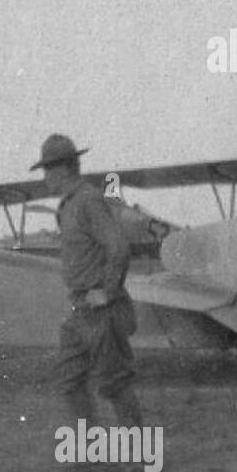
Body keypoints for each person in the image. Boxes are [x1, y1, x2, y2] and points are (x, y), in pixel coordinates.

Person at [34, 134, 144, 435]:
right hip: (79, 309)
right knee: (69, 380)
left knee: (115, 383)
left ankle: (143, 459)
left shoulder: (87, 200)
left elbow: (119, 247)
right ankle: (88, 455)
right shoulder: (68, 205)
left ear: (62, 170)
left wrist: (107, 292)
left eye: (47, 170)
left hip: (99, 311)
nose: (45, 178)